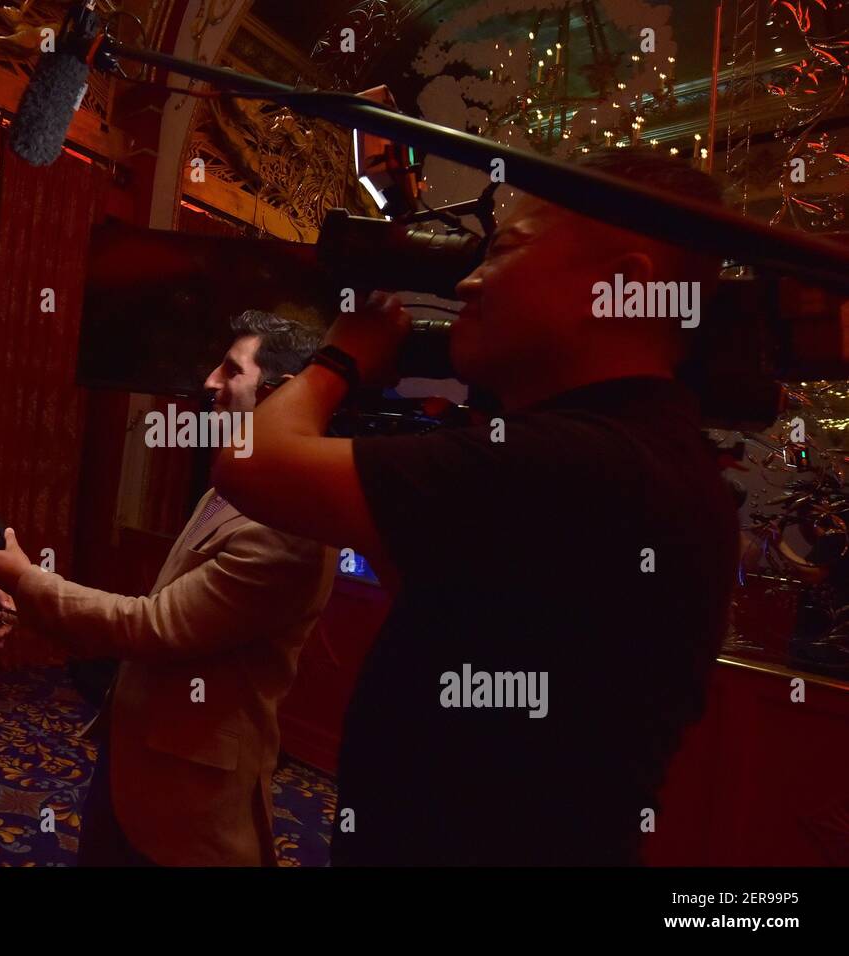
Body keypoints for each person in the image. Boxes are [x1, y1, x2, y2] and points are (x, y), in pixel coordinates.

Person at [212, 149, 740, 865]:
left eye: (504, 252)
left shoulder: (582, 461)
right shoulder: (645, 451)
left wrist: (340, 360)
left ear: (620, 285)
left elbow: (252, 465)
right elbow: (440, 600)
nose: (468, 280)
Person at [0, 311, 338, 866]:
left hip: (189, 802)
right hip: (139, 763)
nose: (210, 382)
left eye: (231, 369)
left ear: (280, 392)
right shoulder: (239, 481)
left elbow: (154, 625)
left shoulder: (289, 523)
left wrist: (26, 580)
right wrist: (29, 605)